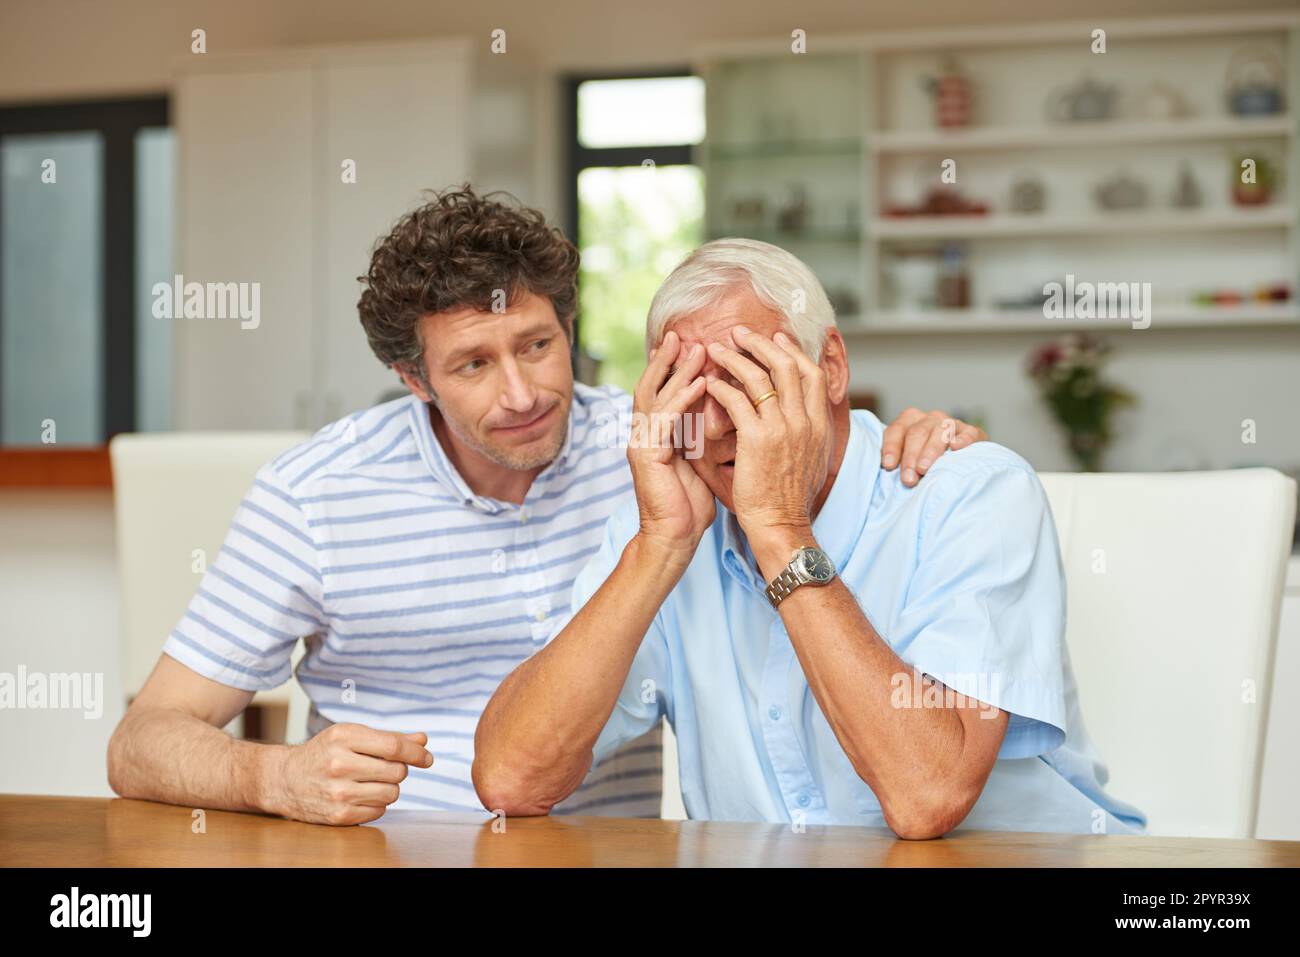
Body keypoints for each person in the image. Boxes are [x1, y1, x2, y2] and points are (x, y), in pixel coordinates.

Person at [106, 188, 983, 826]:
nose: (523, 392)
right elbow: (143, 739)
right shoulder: (315, 494)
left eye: (538, 344)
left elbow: (803, 465)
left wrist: (891, 437)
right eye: (473, 364)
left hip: (595, 856)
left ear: (571, 330)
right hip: (382, 856)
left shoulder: (663, 444)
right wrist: (277, 778)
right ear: (413, 379)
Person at [473, 237, 1147, 839]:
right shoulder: (666, 527)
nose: (718, 424)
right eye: (689, 391)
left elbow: (928, 796)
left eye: (747, 379)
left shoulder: (971, 492)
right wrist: (656, 549)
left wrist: (779, 532)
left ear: (830, 367)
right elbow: (511, 778)